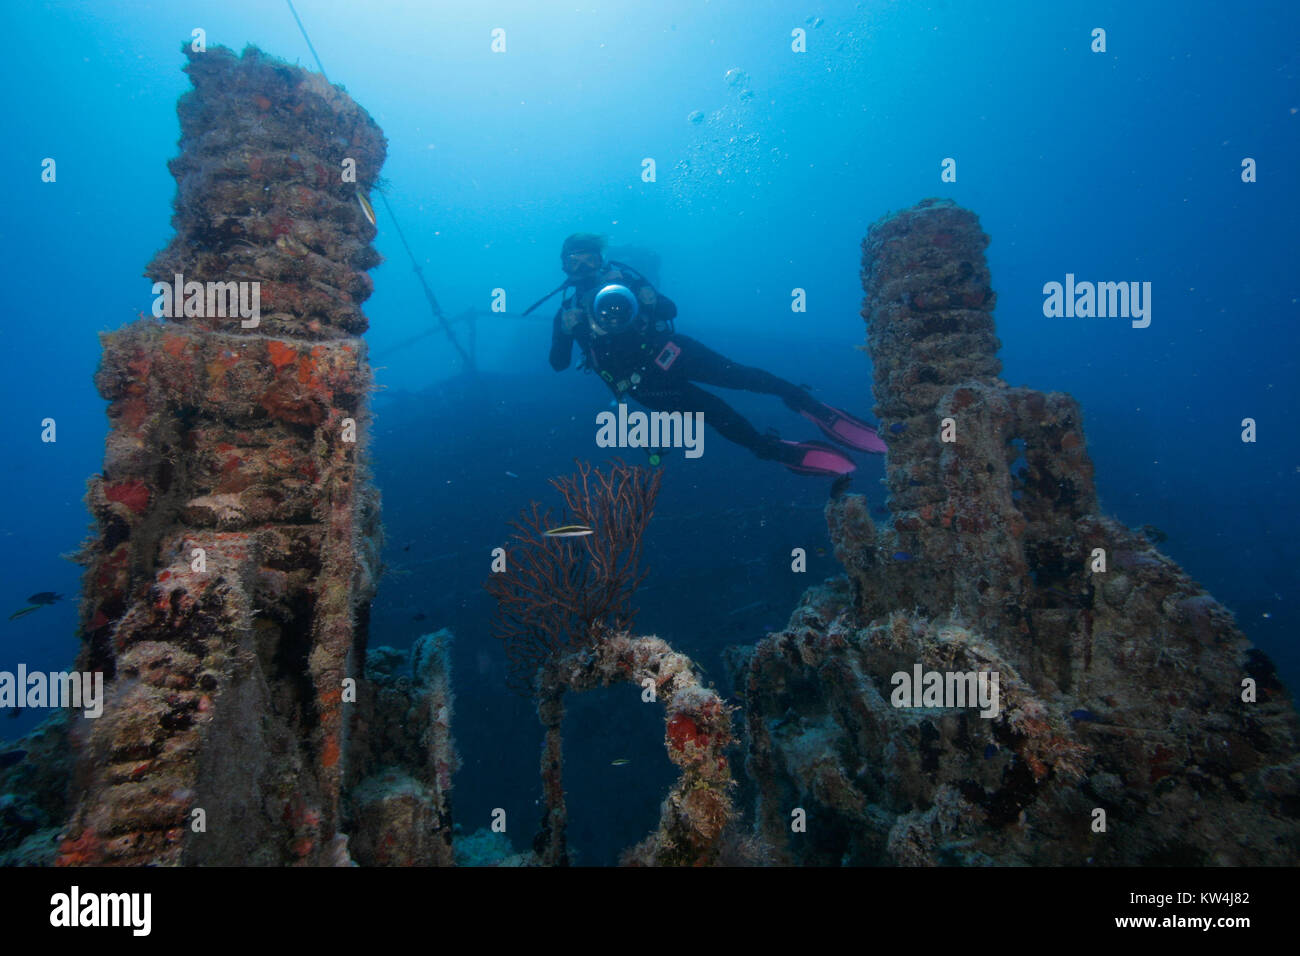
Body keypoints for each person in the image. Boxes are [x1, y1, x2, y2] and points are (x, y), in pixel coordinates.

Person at [534, 233, 887, 476]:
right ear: (564, 268)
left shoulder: (626, 280)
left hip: (673, 352)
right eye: (574, 263)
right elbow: (558, 363)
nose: (583, 268)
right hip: (646, 384)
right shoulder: (568, 312)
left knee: (743, 375)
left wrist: (645, 295)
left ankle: (806, 403)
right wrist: (566, 330)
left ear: (600, 259)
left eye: (589, 259)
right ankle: (772, 449)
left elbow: (669, 310)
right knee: (719, 414)